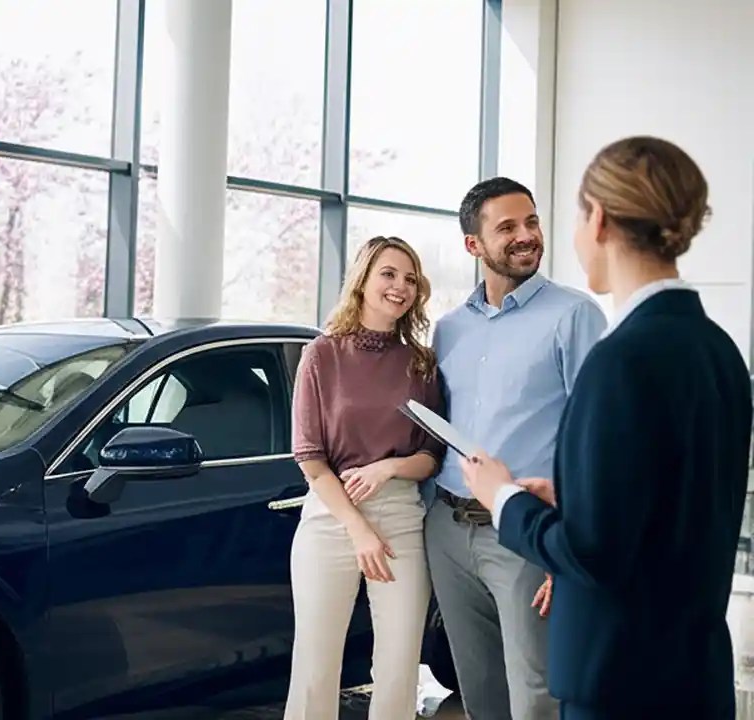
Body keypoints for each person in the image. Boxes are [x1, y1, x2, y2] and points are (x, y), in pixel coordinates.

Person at [461, 136, 752, 719]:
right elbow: (676, 505)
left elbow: (594, 555)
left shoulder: (620, 360)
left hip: (621, 682)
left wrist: (504, 499)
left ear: (597, 219)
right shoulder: (718, 349)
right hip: (692, 677)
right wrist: (572, 496)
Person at [425, 177, 608, 720]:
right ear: (473, 244)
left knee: (537, 696)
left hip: (527, 534)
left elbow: (595, 441)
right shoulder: (449, 329)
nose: (526, 235)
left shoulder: (575, 317)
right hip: (448, 529)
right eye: (507, 227)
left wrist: (567, 545)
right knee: (478, 689)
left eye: (531, 222)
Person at [284, 236, 447, 720]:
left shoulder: (420, 363)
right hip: (331, 517)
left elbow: (432, 455)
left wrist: (389, 467)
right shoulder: (322, 356)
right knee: (315, 665)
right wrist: (358, 530)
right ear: (363, 281)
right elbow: (310, 458)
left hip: (400, 515)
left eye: (410, 279)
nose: (400, 287)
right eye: (389, 274)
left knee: (398, 666)